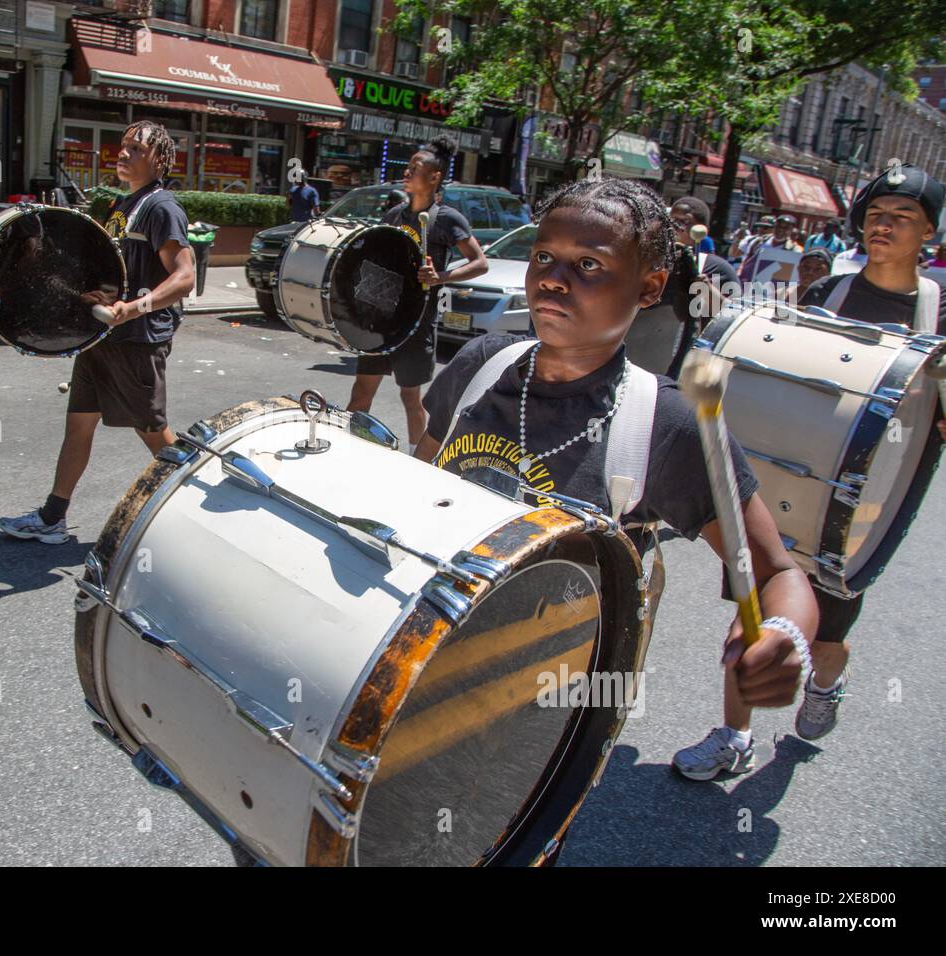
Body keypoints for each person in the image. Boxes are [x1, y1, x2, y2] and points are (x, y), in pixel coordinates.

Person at [412, 177, 816, 785]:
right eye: (544, 257)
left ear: (650, 286)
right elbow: (414, 490)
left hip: (547, 713)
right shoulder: (479, 365)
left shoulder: (666, 424)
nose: (552, 277)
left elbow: (775, 571)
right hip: (423, 667)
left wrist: (784, 634)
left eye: (589, 265)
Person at [766, 165, 946, 739]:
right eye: (875, 216)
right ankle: (735, 731)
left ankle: (823, 685)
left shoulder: (938, 312)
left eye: (902, 218)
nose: (883, 226)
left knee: (828, 628)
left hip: (874, 493)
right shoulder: (829, 292)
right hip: (795, 474)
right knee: (765, 604)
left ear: (930, 234)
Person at [0, 120, 196, 543]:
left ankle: (197, 514)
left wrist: (134, 308)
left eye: (135, 149)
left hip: (135, 342)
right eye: (122, 146)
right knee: (79, 425)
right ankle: (53, 517)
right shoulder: (124, 206)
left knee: (155, 434)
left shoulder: (162, 208)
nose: (123, 154)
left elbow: (184, 277)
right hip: (103, 337)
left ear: (158, 159)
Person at [348, 135, 489, 452]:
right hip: (382, 322)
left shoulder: (447, 219)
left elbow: (480, 264)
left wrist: (440, 276)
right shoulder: (394, 215)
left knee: (410, 397)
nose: (407, 173)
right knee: (361, 392)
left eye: (415, 168)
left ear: (435, 177)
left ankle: (417, 461)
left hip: (417, 323)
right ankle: (350, 448)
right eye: (408, 167)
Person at [738, 213, 800, 283]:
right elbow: (746, 262)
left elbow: (790, 277)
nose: (781, 230)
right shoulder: (758, 242)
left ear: (791, 230)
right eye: (778, 226)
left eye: (786, 228)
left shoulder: (793, 251)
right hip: (749, 285)